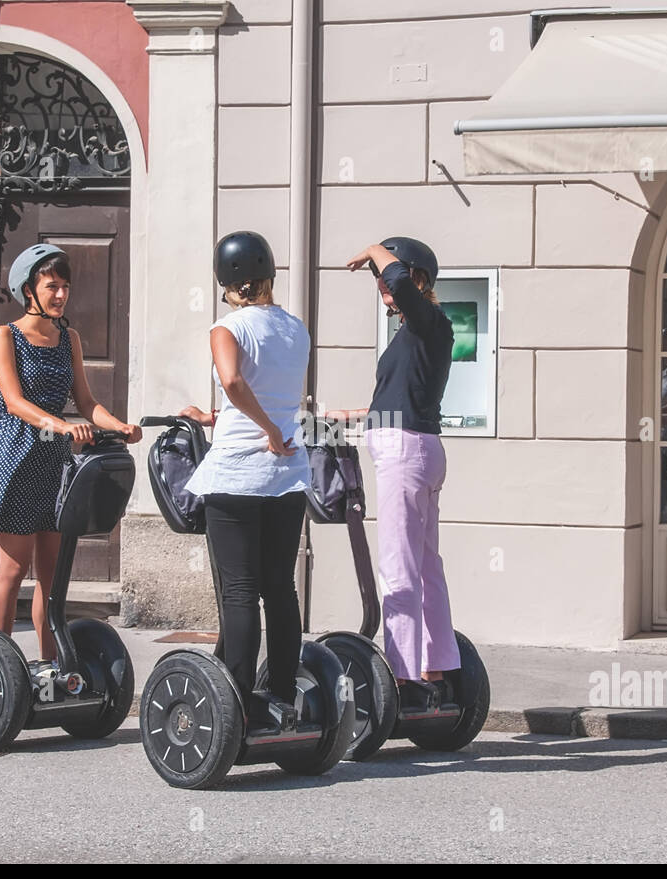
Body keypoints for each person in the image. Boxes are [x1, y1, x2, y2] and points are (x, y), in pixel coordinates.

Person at [0, 244, 141, 666]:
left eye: (65, 286)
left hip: (55, 466)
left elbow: (87, 402)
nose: (60, 295)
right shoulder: (5, 336)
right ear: (28, 289)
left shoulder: (68, 338)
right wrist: (62, 425)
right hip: (17, 458)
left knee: (53, 579)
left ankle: (55, 667)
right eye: (52, 285)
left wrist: (118, 425)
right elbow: (13, 401)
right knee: (13, 570)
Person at [179, 230, 311, 725]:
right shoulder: (296, 329)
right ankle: (280, 695)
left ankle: (233, 701)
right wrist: (222, 419)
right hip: (286, 475)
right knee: (280, 588)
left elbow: (234, 381)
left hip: (237, 472)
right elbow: (269, 389)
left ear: (228, 283)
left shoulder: (227, 327)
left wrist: (266, 428)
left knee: (238, 591)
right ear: (269, 275)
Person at [328, 237, 460, 708]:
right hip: (412, 445)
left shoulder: (427, 321)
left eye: (390, 277)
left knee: (399, 568)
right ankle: (436, 668)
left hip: (406, 454)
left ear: (418, 279)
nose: (384, 285)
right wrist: (349, 415)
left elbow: (400, 281)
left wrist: (374, 249)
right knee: (425, 565)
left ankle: (404, 681)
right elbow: (403, 401)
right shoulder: (417, 334)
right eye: (378, 280)